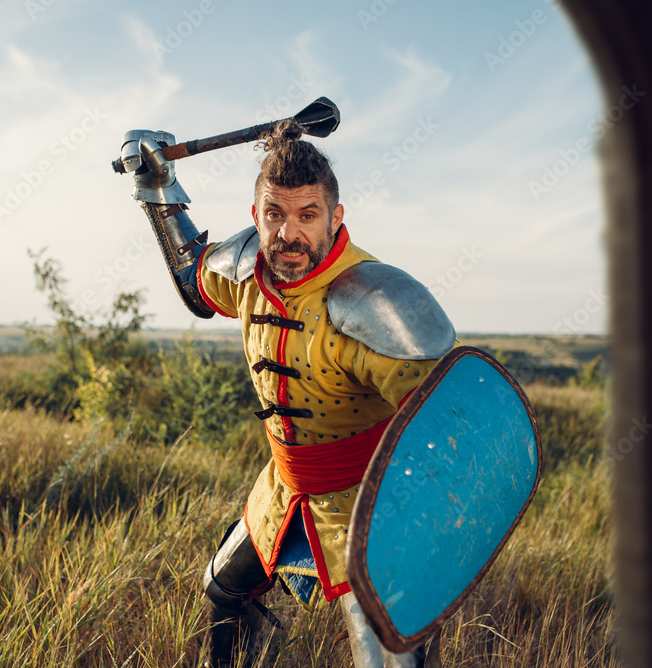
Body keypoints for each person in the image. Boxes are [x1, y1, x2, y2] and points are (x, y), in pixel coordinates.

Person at [122, 119, 453, 667]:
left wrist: (423, 535)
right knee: (224, 589)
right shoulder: (248, 266)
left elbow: (451, 423)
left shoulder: (377, 303)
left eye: (307, 215)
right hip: (283, 486)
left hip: (368, 510)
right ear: (256, 216)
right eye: (275, 214)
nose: (288, 234)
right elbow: (195, 284)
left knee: (391, 662)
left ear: (335, 218)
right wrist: (157, 186)